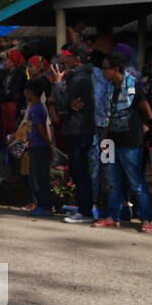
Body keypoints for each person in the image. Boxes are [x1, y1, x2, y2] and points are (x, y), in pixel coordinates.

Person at [94, 52, 152, 232]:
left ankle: (145, 219)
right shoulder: (109, 88)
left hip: (130, 142)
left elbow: (148, 114)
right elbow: (107, 116)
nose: (103, 72)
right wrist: (103, 141)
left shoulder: (133, 87)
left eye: (106, 68)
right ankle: (113, 216)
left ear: (116, 69)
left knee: (136, 182)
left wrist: (142, 130)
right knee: (112, 180)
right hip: (111, 140)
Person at [56, 45, 98, 224]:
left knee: (81, 170)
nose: (63, 59)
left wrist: (58, 85)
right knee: (78, 170)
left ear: (77, 59)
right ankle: (83, 207)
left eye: (68, 56)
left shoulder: (82, 78)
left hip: (80, 128)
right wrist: (66, 103)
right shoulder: (77, 75)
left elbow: (64, 102)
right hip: (76, 128)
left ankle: (85, 210)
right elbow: (66, 103)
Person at [19, 81, 54, 216]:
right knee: (36, 177)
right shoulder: (37, 107)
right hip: (36, 145)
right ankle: (43, 205)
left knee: (39, 178)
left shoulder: (36, 108)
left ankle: (45, 206)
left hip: (39, 147)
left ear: (31, 92)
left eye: (27, 91)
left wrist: (48, 143)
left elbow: (40, 128)